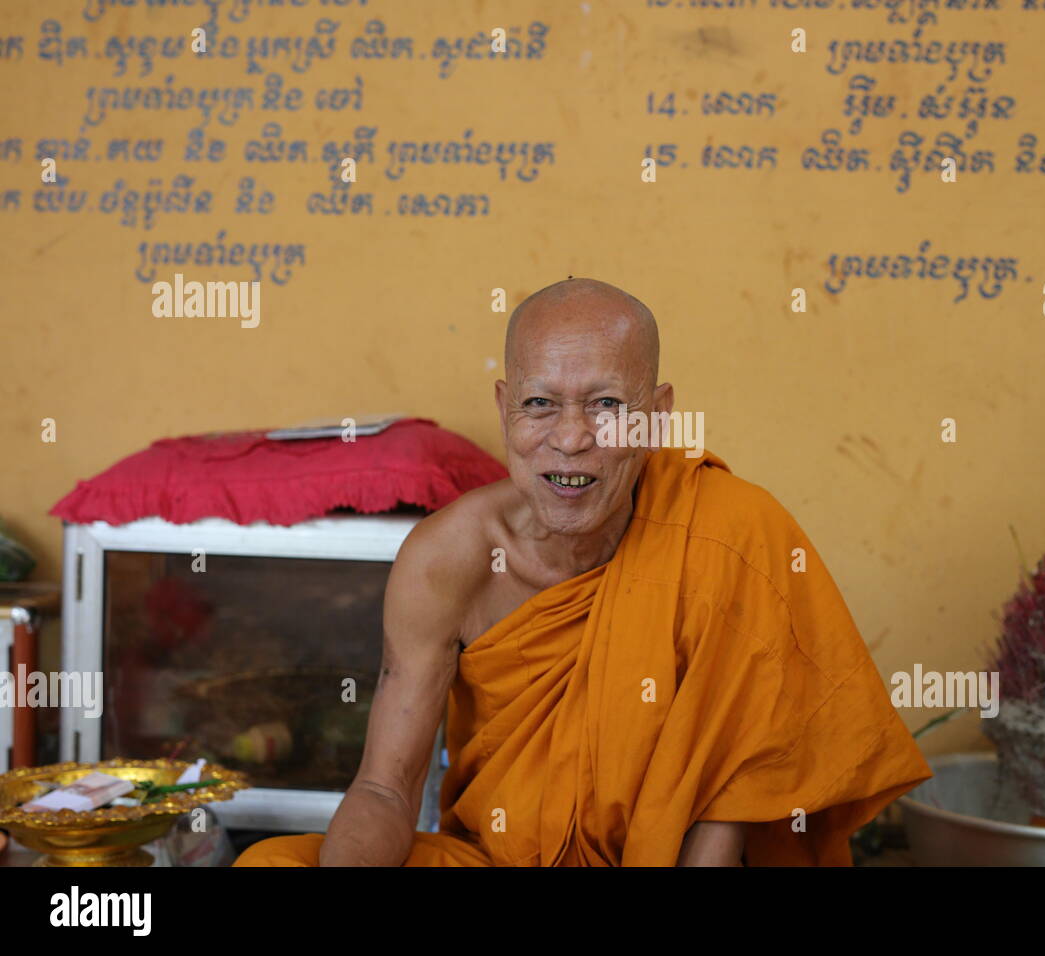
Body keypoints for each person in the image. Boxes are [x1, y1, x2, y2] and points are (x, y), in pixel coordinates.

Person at [234, 277, 931, 866]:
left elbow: (735, 795)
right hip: (496, 859)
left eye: (607, 405)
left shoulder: (728, 533)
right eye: (540, 404)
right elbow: (386, 789)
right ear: (505, 407)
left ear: (657, 418)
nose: (570, 440)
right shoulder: (447, 560)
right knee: (270, 864)